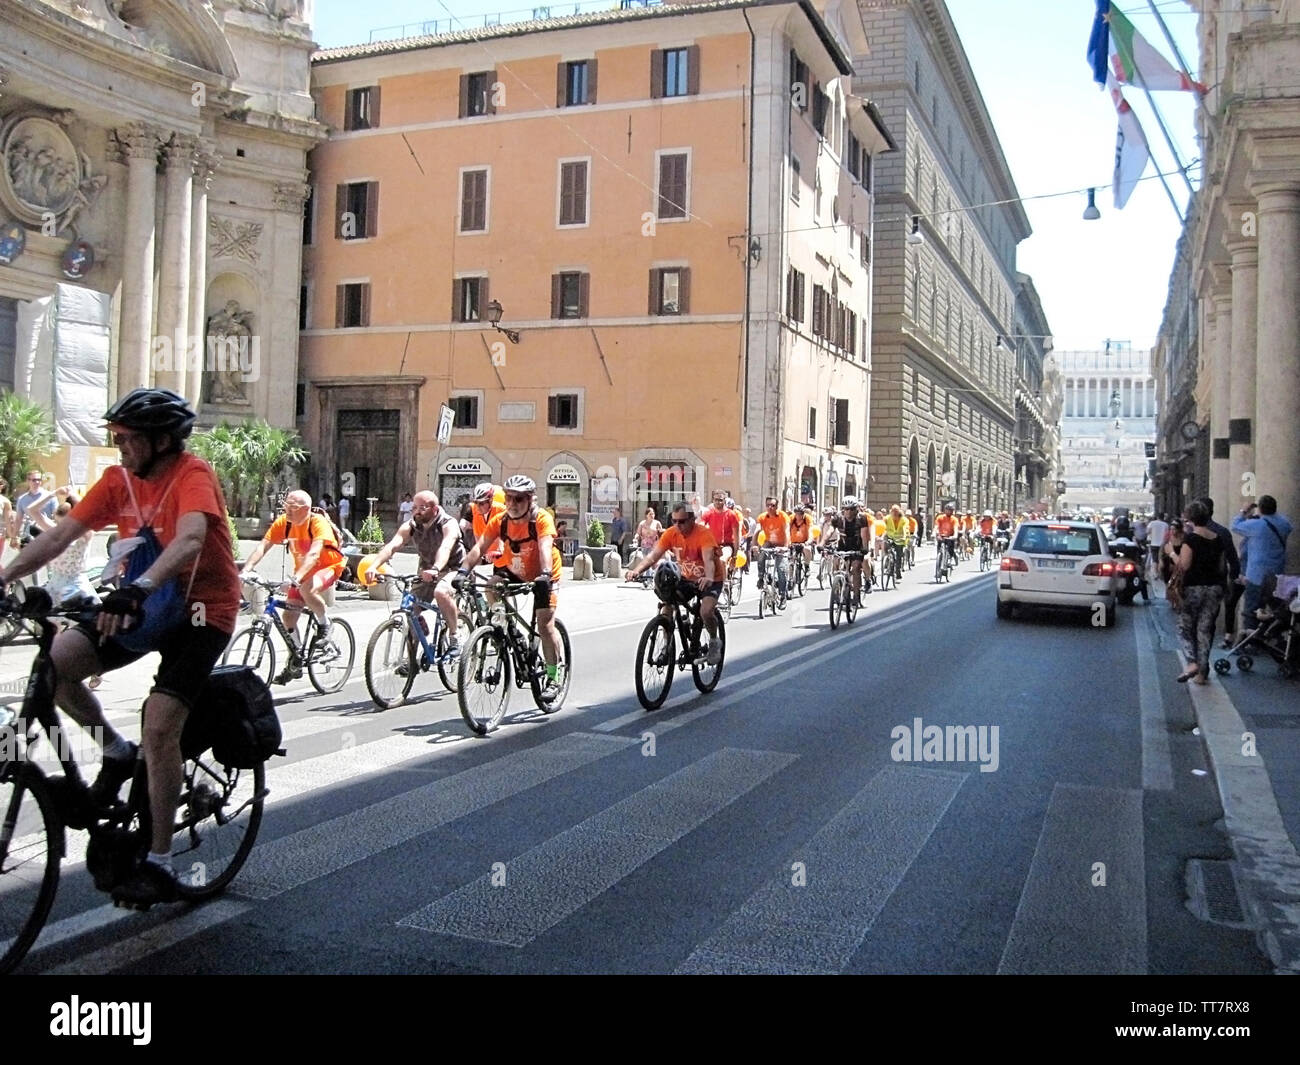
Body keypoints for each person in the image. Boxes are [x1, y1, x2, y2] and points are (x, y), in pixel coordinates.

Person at [0, 388, 241, 907]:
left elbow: (191, 539)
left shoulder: (191, 474)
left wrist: (139, 587)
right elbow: (61, 534)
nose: (121, 447)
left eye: (128, 439)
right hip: (147, 603)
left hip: (202, 610)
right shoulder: (118, 482)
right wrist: (6, 575)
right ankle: (114, 753)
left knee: (159, 727)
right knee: (57, 664)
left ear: (161, 441)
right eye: (116, 438)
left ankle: (157, 861)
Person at [459, 475, 565, 696]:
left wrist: (545, 575)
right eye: (509, 498)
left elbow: (545, 547)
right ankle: (509, 629)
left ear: (530, 500)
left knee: (545, 624)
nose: (512, 504)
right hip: (515, 568)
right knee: (491, 586)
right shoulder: (500, 521)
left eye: (519, 499)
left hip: (544, 573)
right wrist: (462, 571)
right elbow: (479, 548)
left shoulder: (541, 519)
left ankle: (554, 677)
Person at [239, 489, 346, 683]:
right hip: (302, 574)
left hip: (329, 567)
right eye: (286, 505)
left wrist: (295, 578)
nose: (287, 509)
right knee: (288, 618)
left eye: (293, 506)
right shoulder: (284, 523)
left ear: (305, 508)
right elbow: (263, 545)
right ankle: (296, 658)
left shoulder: (317, 522)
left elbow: (314, 555)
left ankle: (324, 624)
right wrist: (246, 570)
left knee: (306, 588)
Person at [371, 490, 466, 663]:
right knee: (411, 610)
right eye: (414, 507)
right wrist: (373, 565)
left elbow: (445, 547)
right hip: (426, 571)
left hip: (453, 569)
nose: (416, 511)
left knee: (441, 592)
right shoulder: (412, 525)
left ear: (434, 508)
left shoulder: (448, 523)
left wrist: (437, 568)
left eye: (422, 507)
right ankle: (411, 660)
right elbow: (392, 545)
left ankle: (454, 636)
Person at [625, 502, 722, 664]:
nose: (677, 525)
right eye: (674, 521)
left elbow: (709, 560)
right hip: (686, 577)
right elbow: (653, 556)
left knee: (705, 611)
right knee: (667, 606)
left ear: (692, 519)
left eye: (682, 521)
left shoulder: (703, 534)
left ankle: (714, 641)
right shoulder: (671, 534)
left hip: (711, 578)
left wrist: (709, 577)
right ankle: (667, 647)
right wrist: (636, 571)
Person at [1173, 500, 1226, 685]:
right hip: (1214, 588)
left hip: (1194, 588)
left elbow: (1185, 565)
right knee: (1204, 629)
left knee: (1184, 627)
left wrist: (1172, 554)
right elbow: (1221, 567)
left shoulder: (1191, 539)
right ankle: (1202, 673)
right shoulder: (1217, 538)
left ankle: (1191, 663)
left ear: (1191, 518)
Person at [25, 485, 97, 605]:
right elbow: (31, 510)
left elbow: (88, 512)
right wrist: (53, 493)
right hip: (54, 586)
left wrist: (73, 496)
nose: (62, 528)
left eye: (67, 523)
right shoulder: (55, 530)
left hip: (76, 586)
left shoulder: (85, 534)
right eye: (59, 523)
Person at [1231, 495, 1293, 629]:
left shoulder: (1257, 525)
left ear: (1261, 509)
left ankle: (1249, 642)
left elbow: (1235, 526)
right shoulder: (1283, 523)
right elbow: (1288, 525)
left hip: (1256, 575)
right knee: (1274, 611)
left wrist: (1243, 511)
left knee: (1251, 610)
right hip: (1276, 575)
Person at [1198, 498, 1242, 648]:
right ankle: (1220, 639)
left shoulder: (1193, 533)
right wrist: (1234, 576)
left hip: (1198, 582)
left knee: (1202, 618)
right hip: (1218, 579)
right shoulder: (1222, 531)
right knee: (1214, 613)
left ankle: (1201, 651)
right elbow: (1233, 557)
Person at [830, 497, 870, 602]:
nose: (848, 512)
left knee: (856, 568)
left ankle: (856, 597)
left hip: (857, 546)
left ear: (856, 509)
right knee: (836, 563)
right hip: (843, 545)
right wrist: (821, 543)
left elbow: (864, 534)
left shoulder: (862, 518)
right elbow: (830, 530)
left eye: (851, 509)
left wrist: (865, 548)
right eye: (846, 509)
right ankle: (838, 588)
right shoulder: (838, 517)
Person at [755, 497, 791, 605]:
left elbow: (787, 531)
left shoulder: (782, 516)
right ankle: (761, 578)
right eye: (768, 505)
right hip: (769, 542)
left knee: (781, 569)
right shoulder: (762, 517)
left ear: (777, 507)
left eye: (773, 505)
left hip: (781, 544)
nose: (770, 507)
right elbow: (757, 531)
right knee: (761, 556)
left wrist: (785, 547)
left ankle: (782, 594)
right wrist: (753, 545)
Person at [699, 490, 741, 577]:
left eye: (720, 500)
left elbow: (736, 536)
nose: (718, 502)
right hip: (713, 545)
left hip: (727, 545)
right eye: (716, 500)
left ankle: (724, 586)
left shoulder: (731, 515)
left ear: (724, 501)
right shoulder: (708, 514)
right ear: (713, 500)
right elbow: (701, 524)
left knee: (722, 560)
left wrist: (735, 555)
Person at [933, 502, 959, 576]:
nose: (949, 511)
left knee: (950, 549)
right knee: (939, 550)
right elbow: (936, 526)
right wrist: (934, 533)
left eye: (950, 510)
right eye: (947, 510)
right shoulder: (940, 517)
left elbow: (955, 528)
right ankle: (939, 566)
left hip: (950, 536)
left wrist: (955, 535)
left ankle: (949, 560)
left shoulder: (954, 519)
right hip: (941, 536)